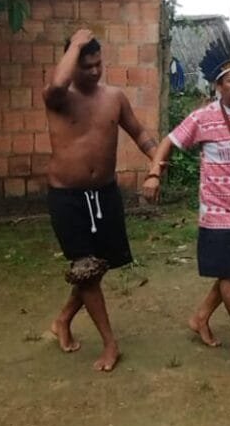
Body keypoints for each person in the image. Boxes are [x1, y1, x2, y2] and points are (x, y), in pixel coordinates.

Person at [143, 10, 230, 360]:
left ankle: (201, 316)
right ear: (218, 85)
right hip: (218, 214)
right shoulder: (202, 118)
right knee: (228, 275)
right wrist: (154, 173)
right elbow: (168, 142)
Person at [44, 28, 159, 372]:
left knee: (98, 266)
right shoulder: (57, 98)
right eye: (86, 65)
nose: (95, 71)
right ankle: (110, 343)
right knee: (87, 271)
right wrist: (76, 43)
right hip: (67, 197)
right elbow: (57, 84)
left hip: (105, 195)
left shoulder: (115, 97)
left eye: (98, 64)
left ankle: (63, 319)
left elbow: (138, 132)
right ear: (71, 63)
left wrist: (156, 161)